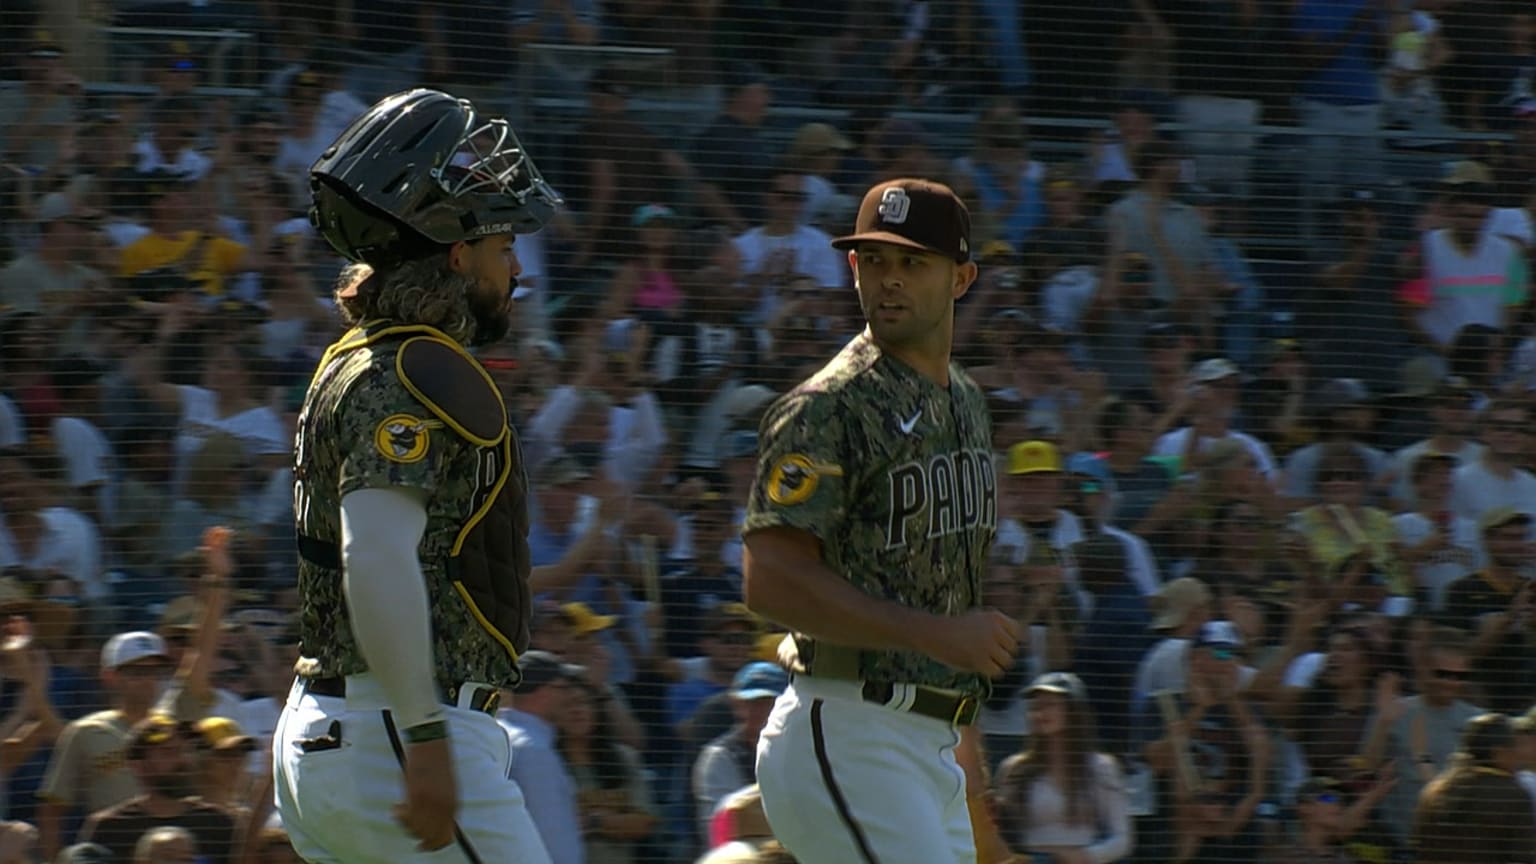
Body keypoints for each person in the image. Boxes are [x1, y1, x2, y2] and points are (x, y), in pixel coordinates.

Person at [274, 88, 561, 863]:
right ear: (457, 253)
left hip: (347, 727)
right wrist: (426, 738)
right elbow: (373, 556)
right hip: (396, 731)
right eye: (504, 246)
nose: (517, 269)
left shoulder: (358, 358)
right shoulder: (412, 372)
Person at [742, 178, 1023, 864]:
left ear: (962, 277)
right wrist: (939, 636)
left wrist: (974, 793)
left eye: (912, 263)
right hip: (845, 729)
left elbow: (947, 603)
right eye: (874, 261)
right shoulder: (828, 407)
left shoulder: (966, 403)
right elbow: (770, 583)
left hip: (928, 747)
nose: (889, 281)